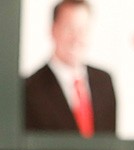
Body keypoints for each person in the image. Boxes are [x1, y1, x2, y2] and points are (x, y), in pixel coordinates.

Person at [24, 0, 117, 137]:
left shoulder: (104, 82)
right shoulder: (30, 88)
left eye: (82, 29)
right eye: (69, 28)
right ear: (53, 30)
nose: (76, 37)